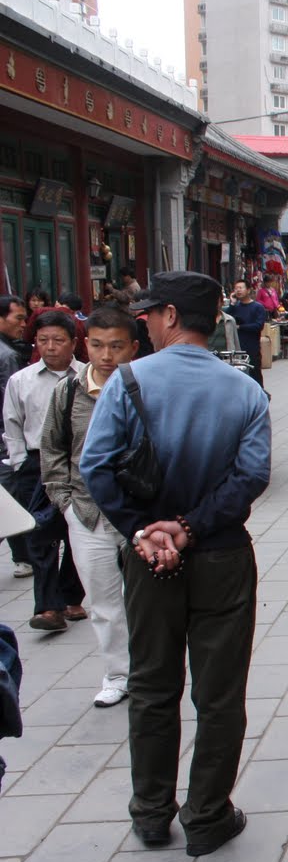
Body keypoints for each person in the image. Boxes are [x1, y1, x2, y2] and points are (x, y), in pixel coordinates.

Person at [79, 270, 269, 857]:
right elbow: (250, 477)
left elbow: (97, 466)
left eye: (148, 315)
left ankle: (152, 813)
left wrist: (145, 530)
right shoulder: (244, 390)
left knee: (153, 685)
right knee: (219, 695)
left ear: (166, 316)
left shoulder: (129, 381)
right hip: (221, 556)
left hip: (146, 558)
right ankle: (208, 815)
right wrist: (188, 529)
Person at [41, 305, 136, 707]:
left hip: (137, 512)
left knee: (144, 599)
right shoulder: (68, 392)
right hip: (85, 511)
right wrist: (64, 501)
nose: (106, 355)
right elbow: (52, 450)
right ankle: (117, 674)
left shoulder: (142, 388)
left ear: (133, 347)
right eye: (97, 345)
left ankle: (150, 669)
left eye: (116, 346)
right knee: (102, 601)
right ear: (86, 344)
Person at [4, 311, 86, 631]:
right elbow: (12, 424)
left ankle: (70, 596)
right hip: (36, 463)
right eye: (43, 340)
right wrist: (19, 461)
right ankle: (47, 606)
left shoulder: (86, 377)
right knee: (40, 535)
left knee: (77, 530)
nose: (50, 347)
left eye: (58, 340)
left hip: (77, 461)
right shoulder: (21, 381)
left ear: (73, 343)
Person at [0, 297, 34, 578]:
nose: (24, 324)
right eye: (19, 318)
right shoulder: (8, 356)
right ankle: (23, 556)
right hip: (5, 439)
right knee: (12, 498)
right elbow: (14, 405)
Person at [226, 281, 268, 388]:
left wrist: (240, 327)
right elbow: (226, 318)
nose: (238, 290)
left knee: (254, 376)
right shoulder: (235, 307)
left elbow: (259, 326)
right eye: (236, 288)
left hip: (252, 347)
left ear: (248, 290)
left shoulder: (258, 307)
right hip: (236, 348)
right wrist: (232, 304)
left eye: (241, 288)